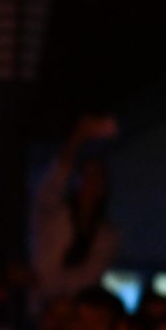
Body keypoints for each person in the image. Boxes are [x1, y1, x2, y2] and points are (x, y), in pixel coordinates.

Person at [31, 115, 119, 304]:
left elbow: (89, 276)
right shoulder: (54, 214)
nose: (91, 182)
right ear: (75, 181)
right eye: (86, 175)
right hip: (38, 301)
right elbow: (52, 183)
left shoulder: (106, 236)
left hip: (75, 307)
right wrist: (76, 139)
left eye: (97, 176)